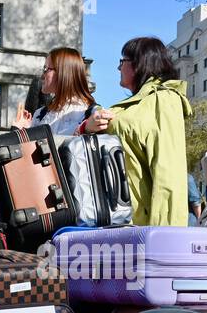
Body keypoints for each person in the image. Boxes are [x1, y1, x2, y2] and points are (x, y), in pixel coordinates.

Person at [82, 36, 192, 226]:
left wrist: (164, 239)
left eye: (122, 61)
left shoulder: (164, 100)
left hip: (140, 227)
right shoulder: (140, 103)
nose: (118, 68)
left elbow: (169, 173)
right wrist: (88, 127)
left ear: (140, 62)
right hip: (117, 220)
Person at [15, 47, 94, 135]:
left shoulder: (89, 112)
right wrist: (22, 131)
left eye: (46, 69)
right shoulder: (40, 115)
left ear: (63, 72)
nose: (42, 75)